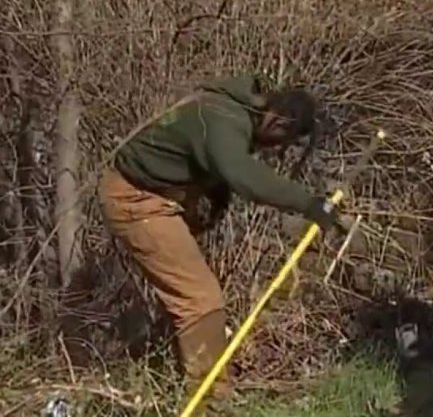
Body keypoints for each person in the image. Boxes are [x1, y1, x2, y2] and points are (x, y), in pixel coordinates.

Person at [98, 76, 344, 395]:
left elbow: (213, 162)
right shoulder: (225, 120)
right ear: (279, 121)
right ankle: (210, 400)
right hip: (137, 200)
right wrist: (308, 203)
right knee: (200, 298)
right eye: (283, 139)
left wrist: (211, 201)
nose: (273, 149)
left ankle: (188, 380)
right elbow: (242, 174)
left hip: (157, 194)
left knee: (189, 295)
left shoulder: (232, 107)